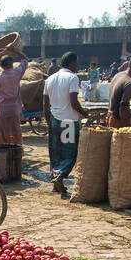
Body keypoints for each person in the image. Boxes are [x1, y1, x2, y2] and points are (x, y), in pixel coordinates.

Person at [43, 52, 84, 194]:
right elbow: (74, 102)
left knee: (55, 153)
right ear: (72, 63)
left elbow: (45, 104)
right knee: (70, 153)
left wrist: (49, 122)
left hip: (54, 119)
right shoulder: (72, 78)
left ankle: (56, 179)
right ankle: (60, 176)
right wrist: (85, 113)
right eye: (76, 63)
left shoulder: (50, 79)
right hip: (68, 122)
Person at [0, 48, 28, 145]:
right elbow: (25, 60)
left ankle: (1, 151)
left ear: (1, 66)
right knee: (15, 132)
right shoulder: (17, 72)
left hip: (2, 111)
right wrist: (15, 51)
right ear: (11, 64)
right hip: (14, 109)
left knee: (1, 132)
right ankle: (17, 150)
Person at [107, 53, 131, 128]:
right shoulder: (129, 82)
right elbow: (123, 107)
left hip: (110, 117)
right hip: (117, 120)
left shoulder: (118, 75)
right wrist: (127, 126)